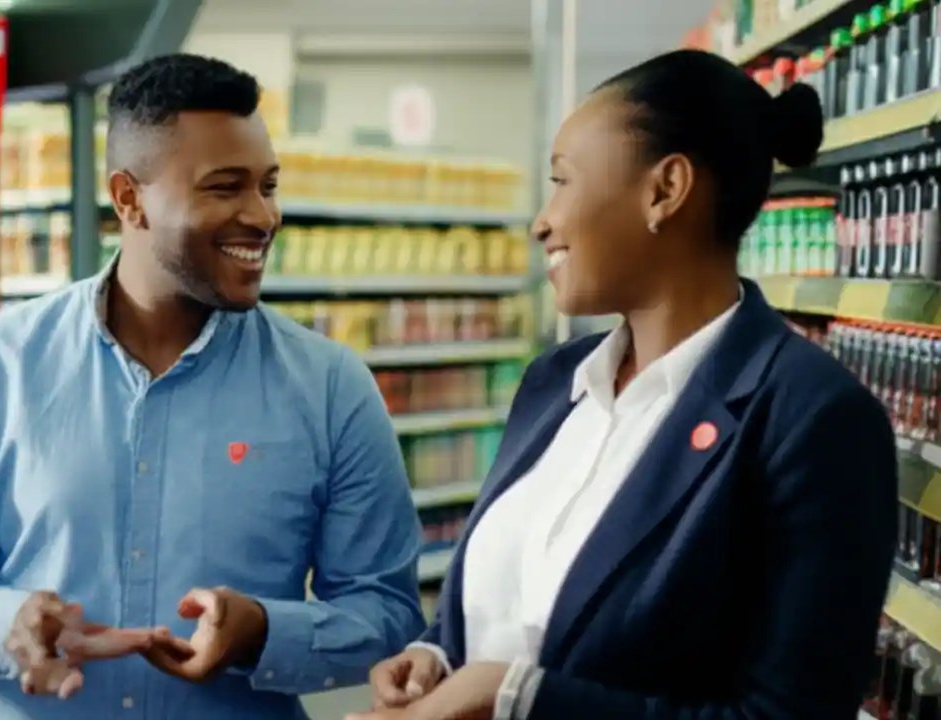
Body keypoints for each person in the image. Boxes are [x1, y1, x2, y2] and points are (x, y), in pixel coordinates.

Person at [0, 53, 426, 720]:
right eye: (224, 187)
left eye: (267, 185)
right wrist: (2, 619)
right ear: (129, 198)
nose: (263, 215)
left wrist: (266, 632)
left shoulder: (333, 388)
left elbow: (386, 608)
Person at [350, 49, 897, 720]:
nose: (541, 221)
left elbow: (788, 715)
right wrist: (436, 658)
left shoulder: (814, 418)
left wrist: (514, 696)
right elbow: (520, 603)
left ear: (664, 190)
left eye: (562, 180)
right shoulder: (554, 383)